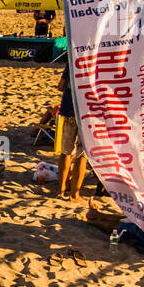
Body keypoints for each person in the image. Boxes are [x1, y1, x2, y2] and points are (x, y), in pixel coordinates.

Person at [56, 63, 88, 201]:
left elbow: (61, 85)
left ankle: (61, 190)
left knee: (66, 152)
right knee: (82, 155)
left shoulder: (73, 57)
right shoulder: (99, 58)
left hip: (69, 108)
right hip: (88, 112)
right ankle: (74, 194)